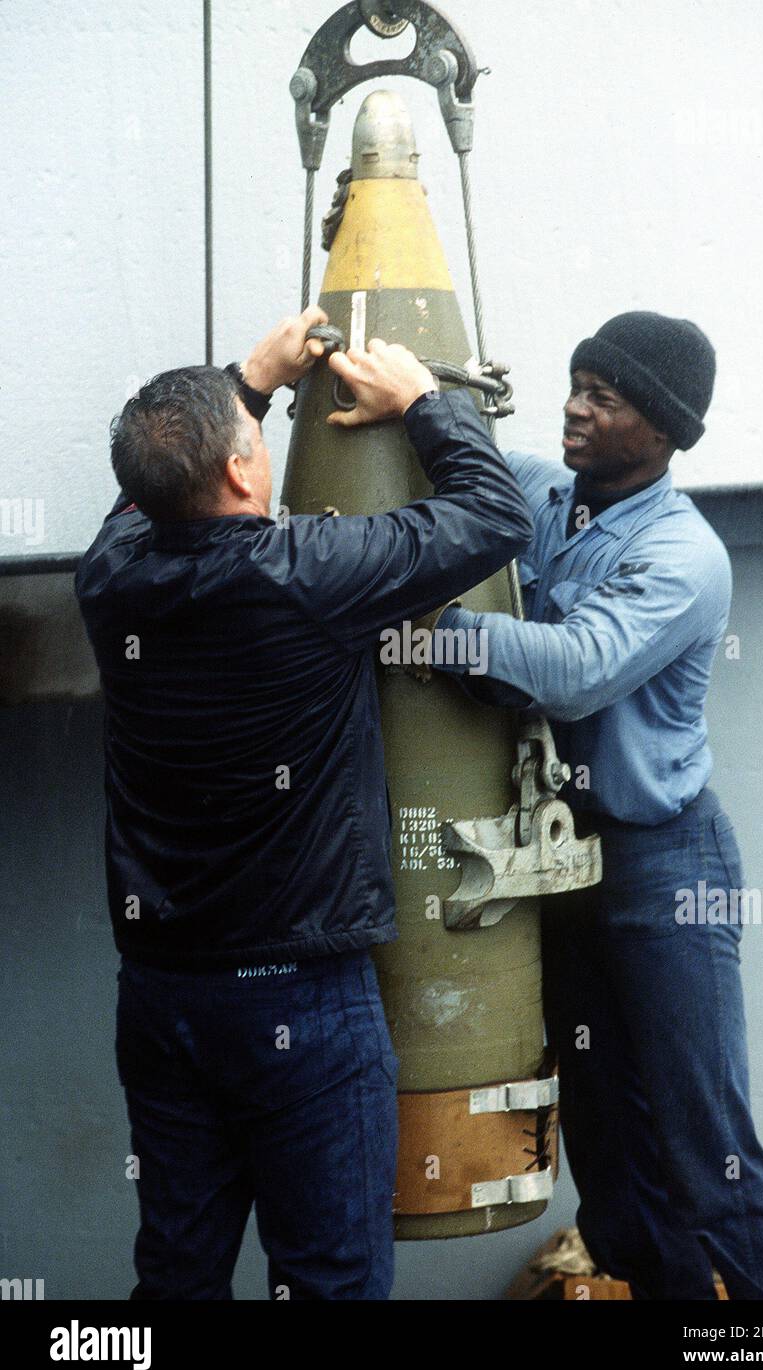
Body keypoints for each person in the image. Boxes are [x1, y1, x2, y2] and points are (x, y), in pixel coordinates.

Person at [75, 307, 533, 1301]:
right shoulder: (312, 577)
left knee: (177, 1270)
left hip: (161, 997)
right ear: (244, 472)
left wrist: (246, 383)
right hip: (301, 1001)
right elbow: (497, 517)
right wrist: (425, 402)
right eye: (250, 442)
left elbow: (145, 491)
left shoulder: (111, 579)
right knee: (328, 1278)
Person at [428, 311, 763, 1300]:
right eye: (576, 382)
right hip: (564, 869)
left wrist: (433, 632)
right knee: (609, 1164)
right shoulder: (547, 496)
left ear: (667, 432)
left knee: (706, 1155)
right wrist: (431, 396)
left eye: (606, 396)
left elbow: (573, 670)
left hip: (663, 869)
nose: (575, 406)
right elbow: (466, 464)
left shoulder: (685, 558)